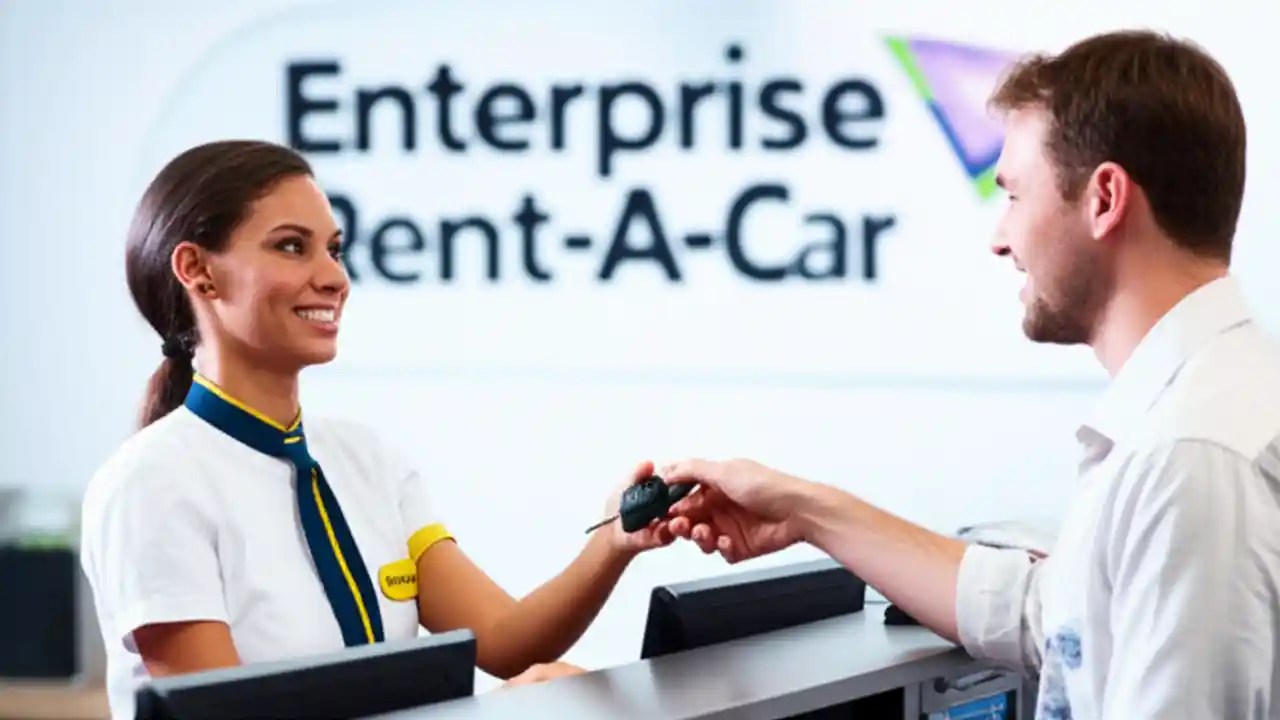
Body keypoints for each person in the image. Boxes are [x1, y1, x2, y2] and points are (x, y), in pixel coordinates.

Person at [662, 29, 1280, 719]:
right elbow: (1054, 619)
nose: (999, 237)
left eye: (1013, 195)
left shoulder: (1192, 459)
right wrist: (806, 510)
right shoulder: (1206, 411)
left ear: (1105, 199)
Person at [78, 140, 675, 720]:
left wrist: (614, 541)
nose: (334, 277)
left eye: (334, 250)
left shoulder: (369, 461)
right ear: (198, 271)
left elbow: (506, 640)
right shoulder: (149, 484)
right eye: (292, 247)